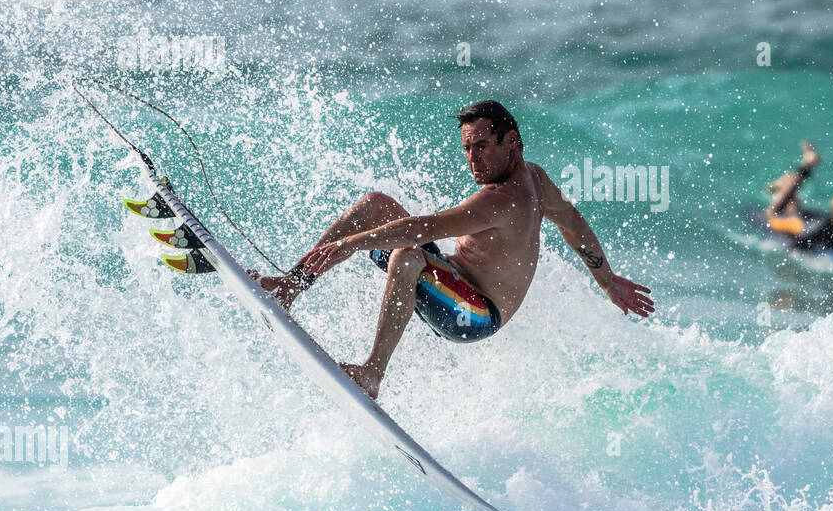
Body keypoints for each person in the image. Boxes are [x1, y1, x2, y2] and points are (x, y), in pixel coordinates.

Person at [252, 100, 654, 398]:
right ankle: (289, 287)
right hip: (452, 278)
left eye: (481, 146)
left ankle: (372, 373)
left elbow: (423, 227)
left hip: (475, 314)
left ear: (511, 141)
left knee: (405, 255)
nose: (471, 159)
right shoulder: (536, 178)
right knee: (375, 205)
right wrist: (607, 281)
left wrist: (349, 243)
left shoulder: (503, 198)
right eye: (466, 148)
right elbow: (574, 222)